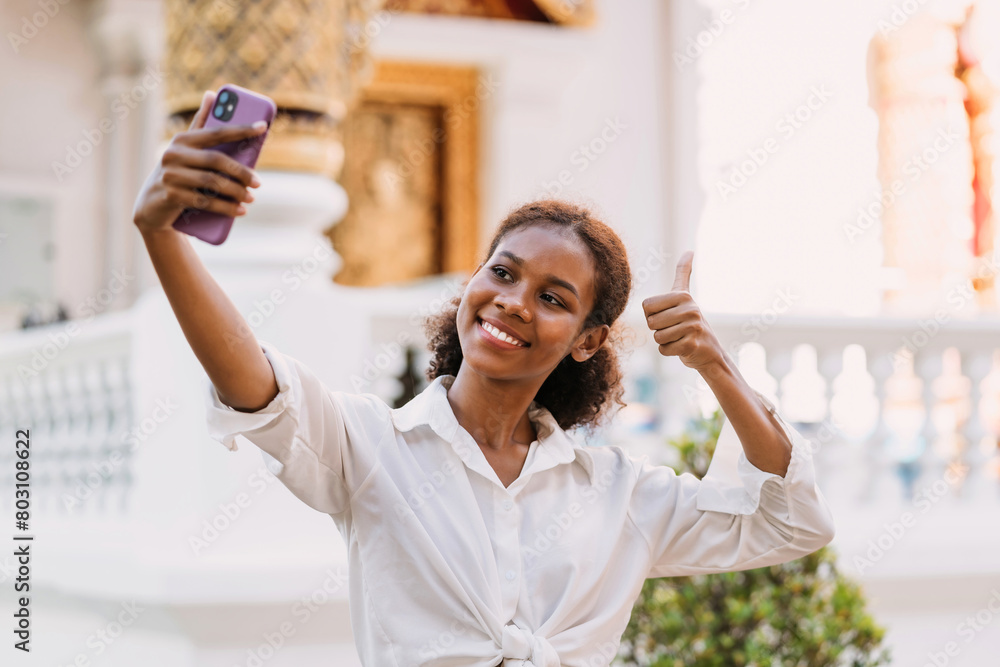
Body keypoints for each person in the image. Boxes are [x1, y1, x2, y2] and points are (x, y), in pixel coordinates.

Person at [133, 90, 836, 667]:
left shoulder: (619, 495)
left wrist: (715, 364)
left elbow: (791, 519)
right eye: (502, 272)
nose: (513, 302)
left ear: (589, 340)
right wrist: (162, 234)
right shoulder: (371, 446)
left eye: (553, 297)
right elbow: (253, 380)